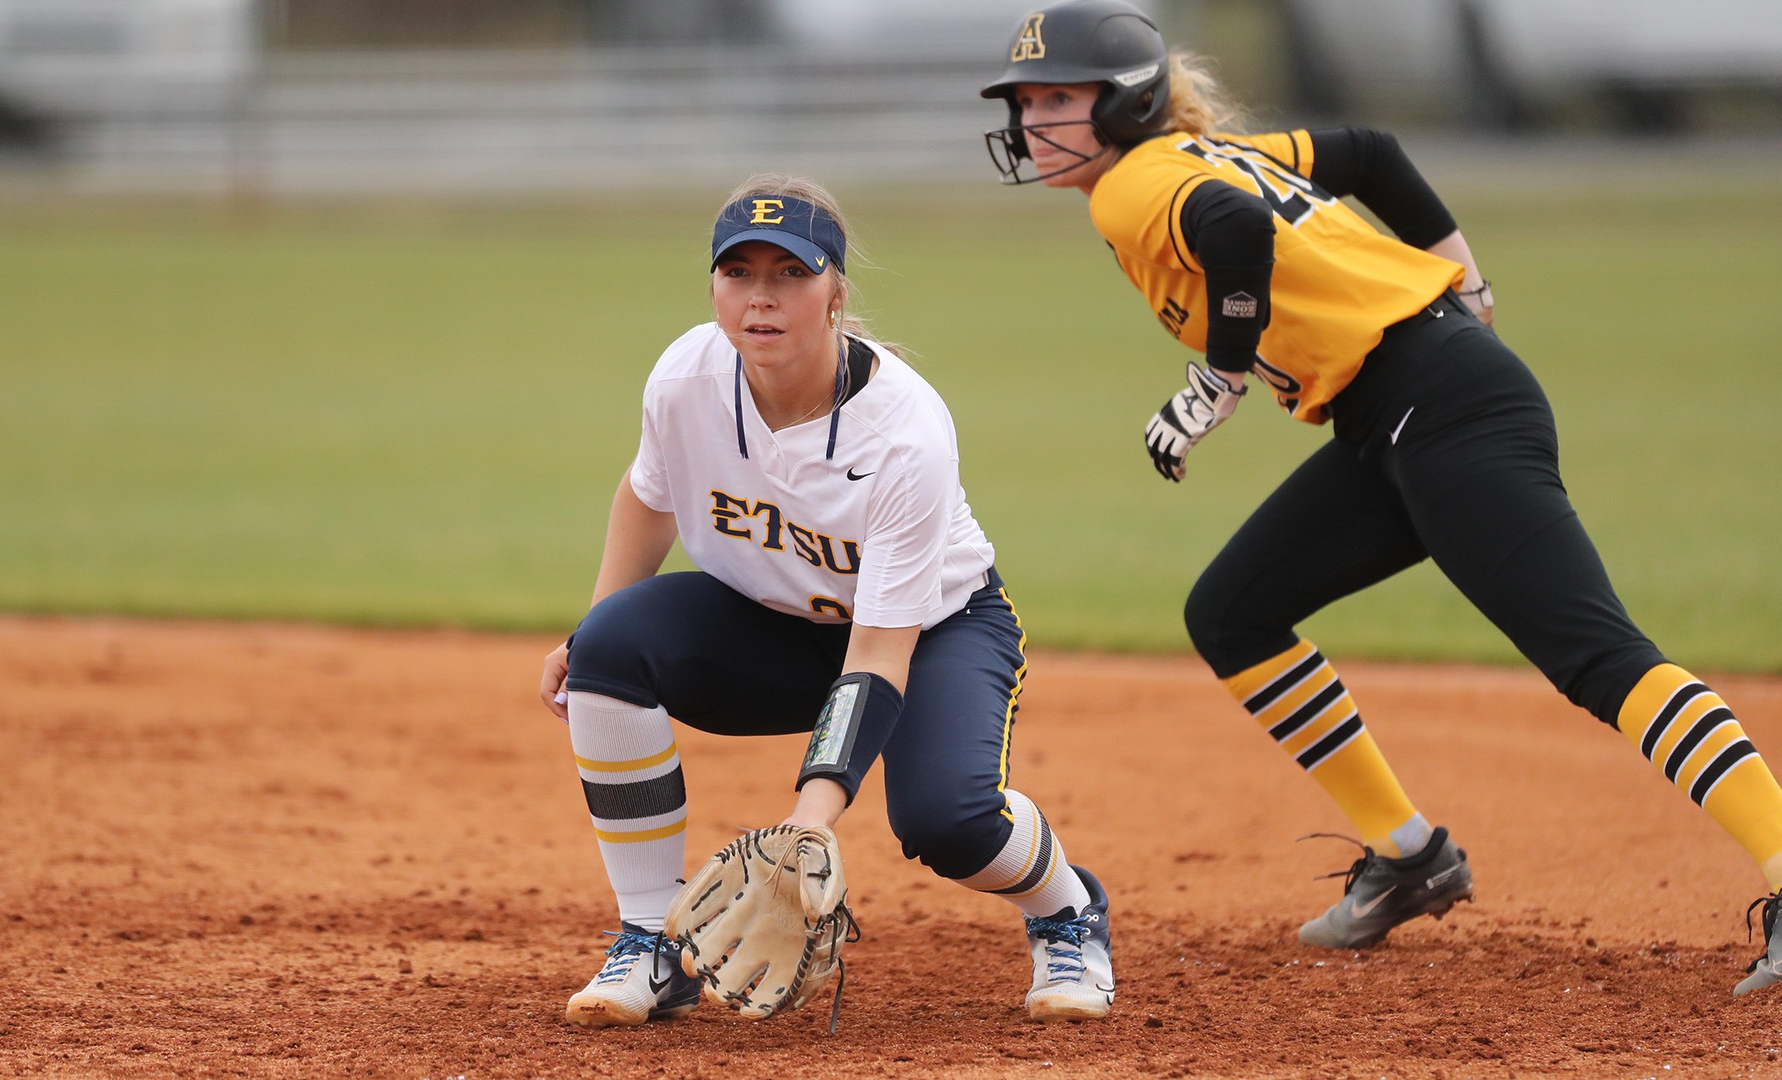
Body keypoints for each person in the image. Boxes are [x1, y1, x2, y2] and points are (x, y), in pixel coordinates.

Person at [977, 0, 1782, 995]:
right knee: (1233, 613)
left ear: (1131, 101)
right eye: (1027, 103)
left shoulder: (1138, 184)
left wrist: (1218, 381)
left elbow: (1235, 233)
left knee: (1597, 656)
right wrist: (1469, 289)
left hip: (1439, 407)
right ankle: (1408, 856)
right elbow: (1366, 151)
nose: (1035, 123)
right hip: (1399, 414)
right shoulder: (1206, 154)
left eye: (1061, 99)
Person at [539, 174, 1115, 1026]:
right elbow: (649, 493)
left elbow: (879, 652)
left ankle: (1068, 910)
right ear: (712, 285)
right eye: (738, 273)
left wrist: (810, 824)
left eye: (790, 274)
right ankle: (649, 942)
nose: (760, 299)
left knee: (946, 821)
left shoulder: (906, 432)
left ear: (837, 290)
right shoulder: (686, 376)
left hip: (930, 634)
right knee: (609, 648)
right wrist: (590, 627)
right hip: (771, 628)